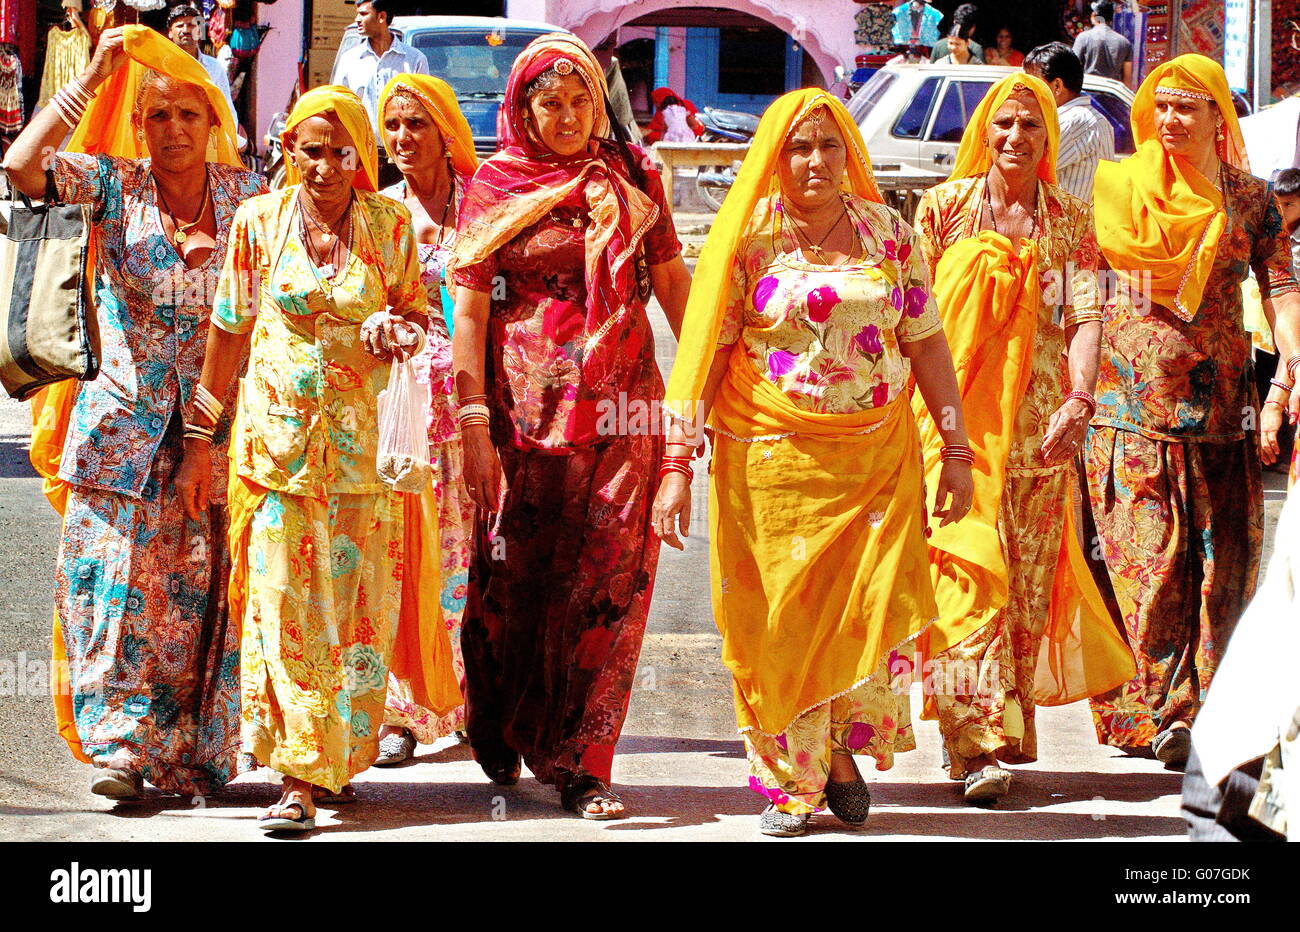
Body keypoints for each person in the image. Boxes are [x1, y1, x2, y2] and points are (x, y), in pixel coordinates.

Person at [653, 89, 973, 837]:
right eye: (799, 146)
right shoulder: (750, 238)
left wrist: (955, 451)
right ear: (775, 154)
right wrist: (675, 464)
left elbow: (925, 340)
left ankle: (839, 748)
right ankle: (794, 781)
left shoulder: (889, 232)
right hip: (770, 463)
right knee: (780, 622)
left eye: (830, 145)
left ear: (849, 153)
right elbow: (706, 351)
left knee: (860, 614)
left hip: (876, 460)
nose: (816, 161)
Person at [2, 26, 264, 799]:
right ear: (138, 124)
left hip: (219, 434)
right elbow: (21, 166)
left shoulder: (249, 198)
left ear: (213, 123)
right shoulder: (113, 186)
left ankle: (193, 755)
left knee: (203, 593)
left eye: (189, 115)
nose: (174, 131)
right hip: (121, 433)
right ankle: (122, 749)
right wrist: (92, 78)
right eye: (157, 117)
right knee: (115, 592)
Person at [449, 33, 692, 819]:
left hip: (623, 413)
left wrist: (703, 385)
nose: (564, 115)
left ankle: (583, 762)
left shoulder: (633, 174)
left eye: (578, 98)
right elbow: (474, 305)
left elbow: (673, 284)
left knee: (609, 586)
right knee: (514, 585)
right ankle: (500, 720)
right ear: (521, 108)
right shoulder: (493, 184)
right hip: (523, 422)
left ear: (599, 101)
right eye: (546, 102)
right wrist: (475, 426)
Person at [176, 85, 430, 832]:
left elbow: (419, 315)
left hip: (364, 461)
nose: (323, 166)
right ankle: (296, 777)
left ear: (362, 154)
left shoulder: (390, 225)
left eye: (339, 151)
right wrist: (201, 437)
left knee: (357, 616)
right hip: (277, 454)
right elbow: (228, 330)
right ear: (289, 152)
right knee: (283, 608)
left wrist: (399, 332)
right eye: (308, 151)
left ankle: (337, 760)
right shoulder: (260, 222)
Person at [912, 72, 1135, 803]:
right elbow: (909, 316)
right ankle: (972, 744)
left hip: (1042, 431)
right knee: (968, 571)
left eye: (1031, 126)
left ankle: (999, 733)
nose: (1015, 138)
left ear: (1049, 138)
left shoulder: (1068, 219)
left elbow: (1086, 317)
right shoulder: (943, 211)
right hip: (955, 429)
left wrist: (1080, 399)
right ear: (984, 131)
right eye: (1003, 124)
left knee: (1027, 592)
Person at [1086, 55, 1300, 768]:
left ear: (1218, 116)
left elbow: (1280, 284)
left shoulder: (1251, 200)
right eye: (1163, 106)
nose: (1171, 119)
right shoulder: (1118, 187)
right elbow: (1083, 290)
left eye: (1188, 106)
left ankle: (1200, 708)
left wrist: (1288, 368)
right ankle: (1154, 707)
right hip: (1129, 407)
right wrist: (1075, 386)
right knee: (1152, 566)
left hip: (1221, 411)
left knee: (1217, 572)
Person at [372, 74, 479, 764]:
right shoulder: (377, 213)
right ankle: (400, 714)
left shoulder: (486, 209)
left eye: (418, 124)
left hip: (473, 412)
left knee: (466, 562)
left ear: (445, 129)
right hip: (401, 416)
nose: (406, 139)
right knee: (400, 557)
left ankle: (465, 700)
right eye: (395, 126)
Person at [333, 0, 429, 164]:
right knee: (357, 191)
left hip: (402, 152)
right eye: (357, 14)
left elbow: (424, 108)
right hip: (358, 152)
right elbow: (337, 106)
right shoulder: (350, 60)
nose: (357, 19)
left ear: (381, 16)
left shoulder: (414, 59)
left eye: (363, 14)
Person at [1024, 42, 1115, 202]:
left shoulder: (1073, 121)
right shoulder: (1091, 118)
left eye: (1033, 85)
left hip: (1069, 225)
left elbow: (1022, 171)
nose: (1025, 92)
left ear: (1057, 86)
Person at [166, 4, 237, 133]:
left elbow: (226, 107)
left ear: (199, 32)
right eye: (179, 26)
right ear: (170, 33)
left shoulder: (214, 67)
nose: (186, 30)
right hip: (170, 135)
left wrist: (232, 140)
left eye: (191, 25)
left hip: (205, 137)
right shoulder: (161, 65)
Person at [1072, 1, 1132, 89]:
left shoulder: (1083, 38)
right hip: (1112, 94)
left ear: (1094, 15)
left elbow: (1072, 67)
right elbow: (1127, 79)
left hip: (1089, 91)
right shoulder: (1124, 42)